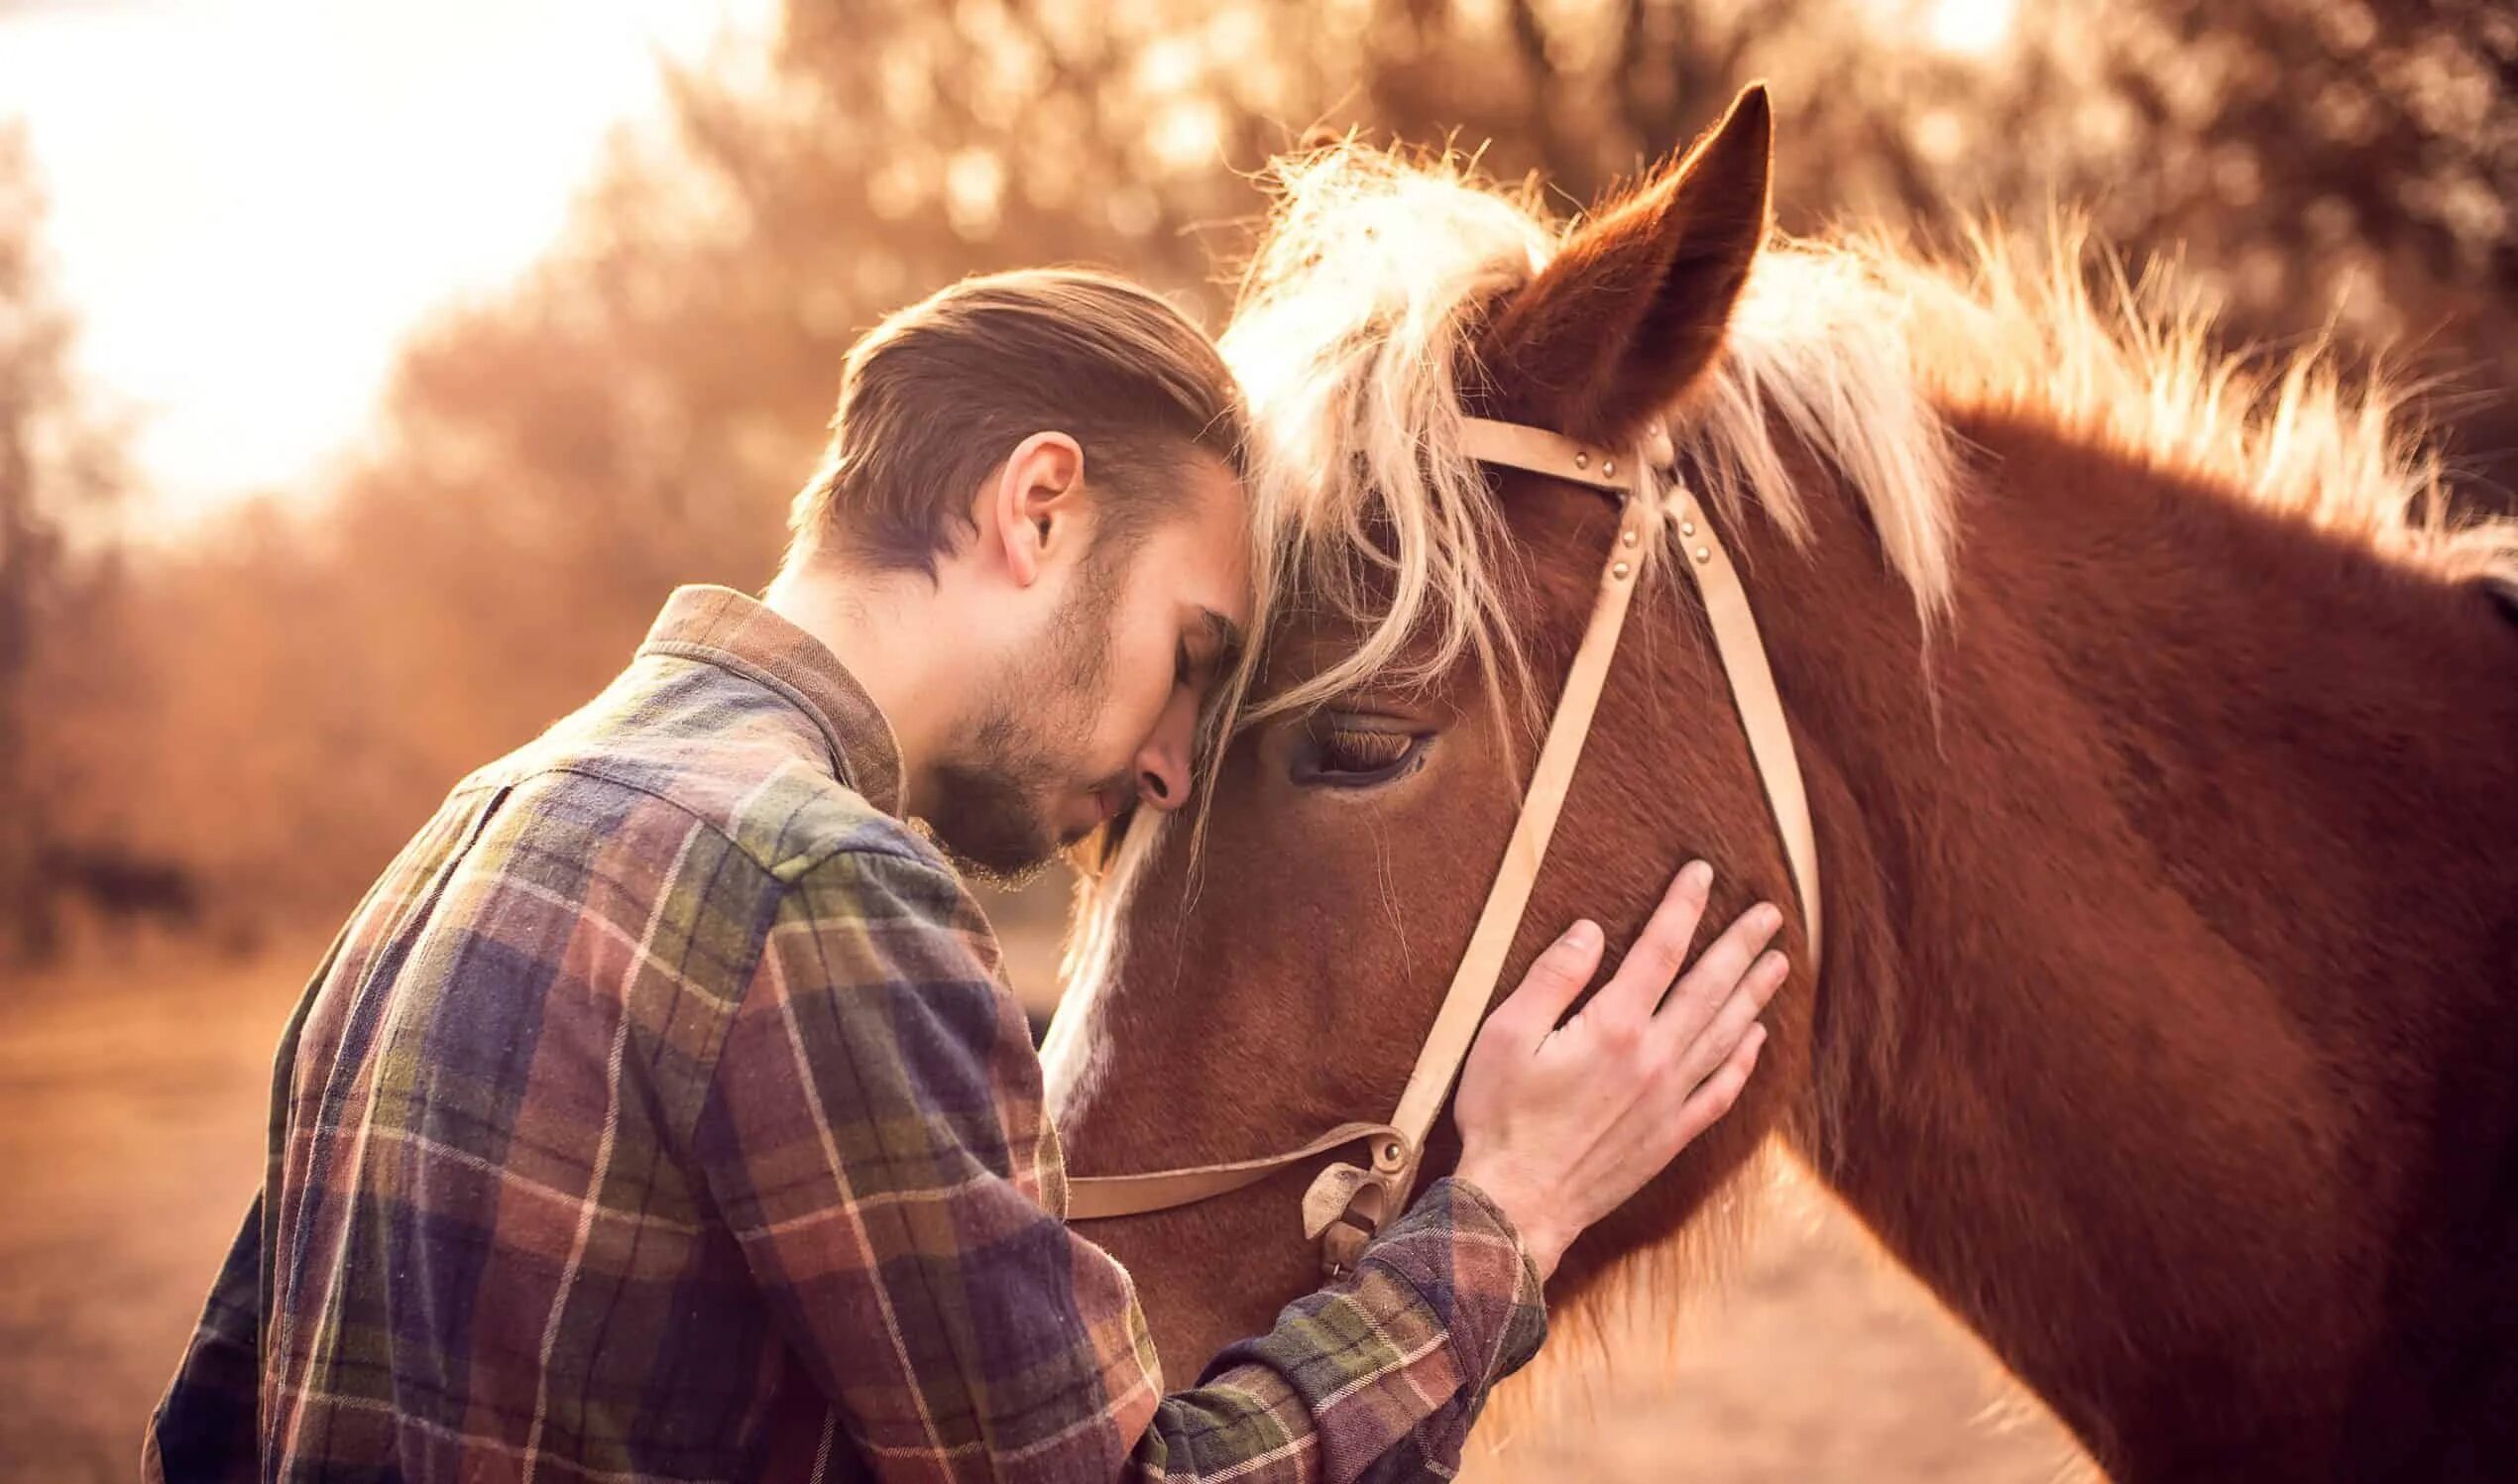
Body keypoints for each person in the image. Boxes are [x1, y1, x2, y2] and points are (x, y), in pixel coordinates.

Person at [146, 269, 1786, 1482]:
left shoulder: (455, 843)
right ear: (1039, 509)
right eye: (1191, 650)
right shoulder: (814, 890)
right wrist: (1508, 1212)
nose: (1169, 761)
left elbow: (210, 1434)